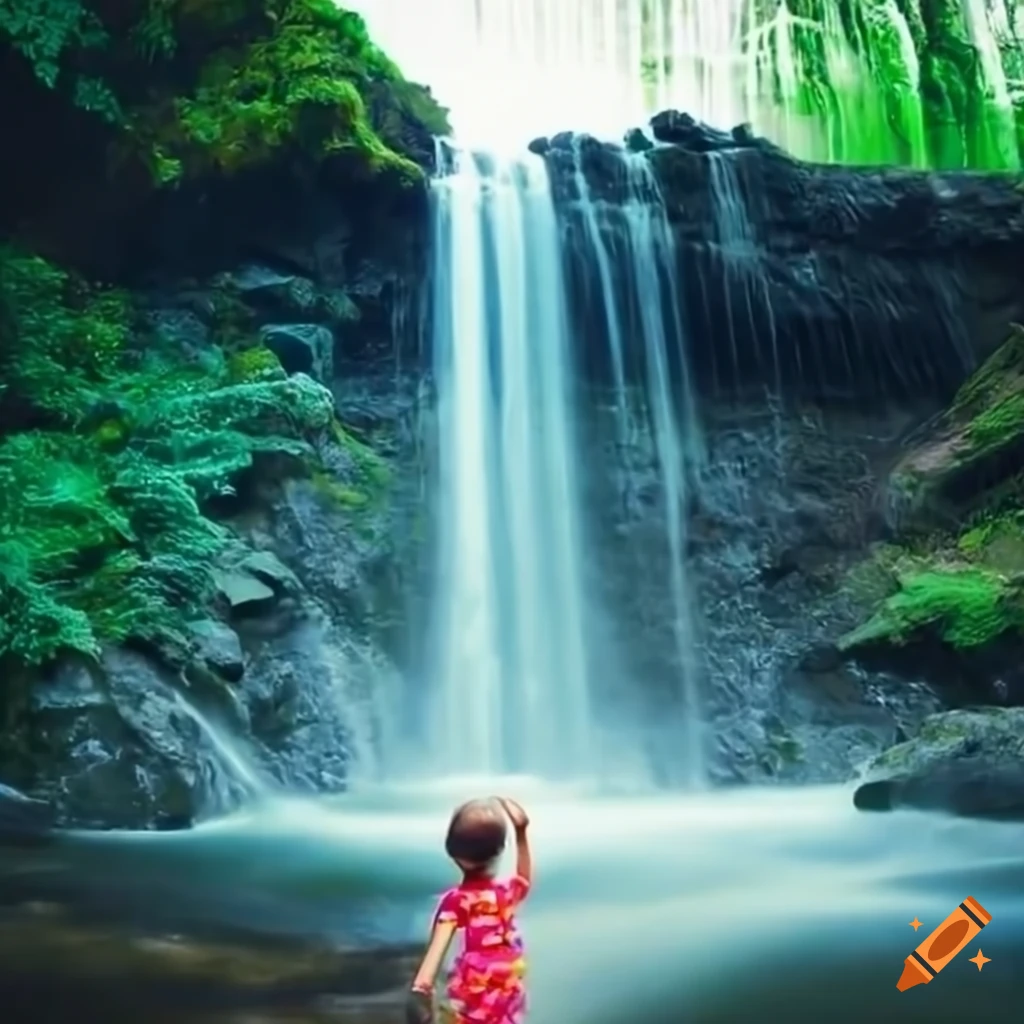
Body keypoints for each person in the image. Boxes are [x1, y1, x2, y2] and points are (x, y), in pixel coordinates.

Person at [406, 795, 532, 1024]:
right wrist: (521, 832)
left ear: (452, 851)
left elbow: (436, 952)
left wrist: (422, 985)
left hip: (476, 993)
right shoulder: (505, 894)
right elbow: (524, 880)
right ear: (500, 850)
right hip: (507, 988)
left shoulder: (456, 902)